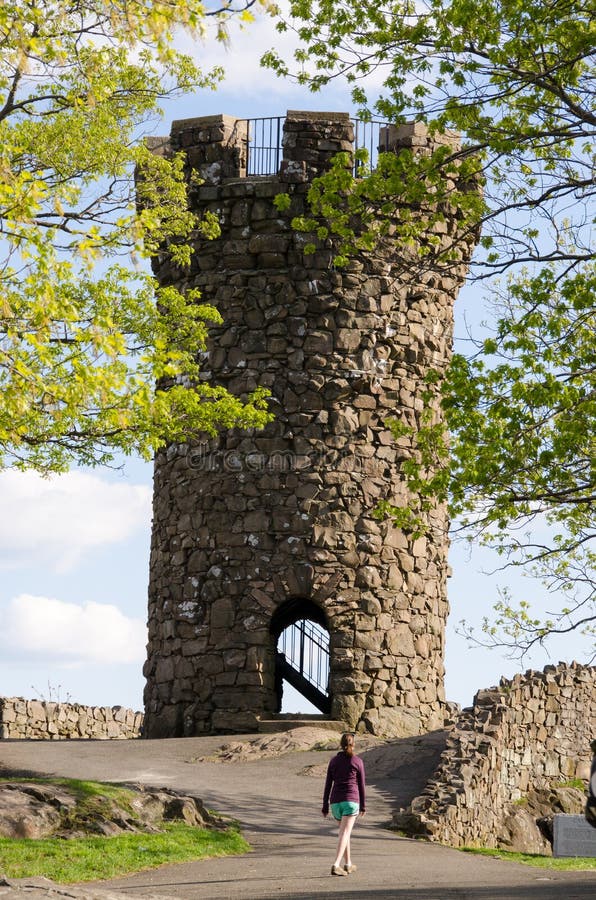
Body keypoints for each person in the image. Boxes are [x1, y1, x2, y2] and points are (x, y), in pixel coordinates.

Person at [322, 732, 366, 876]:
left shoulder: (333, 761)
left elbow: (328, 784)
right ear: (353, 744)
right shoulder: (357, 761)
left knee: (344, 833)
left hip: (335, 802)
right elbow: (361, 785)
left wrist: (325, 806)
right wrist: (363, 805)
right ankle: (336, 864)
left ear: (341, 744)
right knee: (345, 833)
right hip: (351, 801)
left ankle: (348, 864)